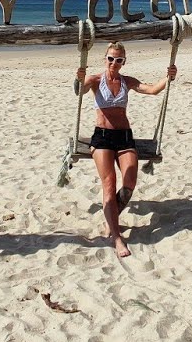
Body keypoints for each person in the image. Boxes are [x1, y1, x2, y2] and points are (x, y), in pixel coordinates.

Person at [75, 42, 177, 258]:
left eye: (118, 60)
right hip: (102, 138)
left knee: (129, 182)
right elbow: (80, 91)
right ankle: (116, 236)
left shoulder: (126, 81)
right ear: (105, 59)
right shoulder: (95, 79)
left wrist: (168, 78)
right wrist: (79, 78)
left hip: (124, 137)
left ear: (123, 62)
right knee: (109, 184)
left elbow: (151, 90)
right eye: (110, 58)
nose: (114, 63)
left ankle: (111, 215)